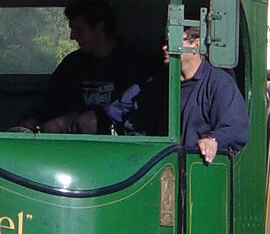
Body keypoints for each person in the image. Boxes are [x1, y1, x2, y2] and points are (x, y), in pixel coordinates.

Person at [103, 26, 249, 162]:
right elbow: (136, 125)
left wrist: (212, 141)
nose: (165, 47)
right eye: (164, 41)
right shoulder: (155, 85)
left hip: (198, 172)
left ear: (196, 44)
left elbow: (236, 129)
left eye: (172, 41)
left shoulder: (219, 83)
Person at [15, 0, 146, 133]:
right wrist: (34, 120)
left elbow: (131, 108)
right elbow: (51, 101)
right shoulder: (72, 64)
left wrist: (95, 117)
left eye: (78, 30)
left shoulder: (133, 65)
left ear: (99, 29)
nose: (72, 36)